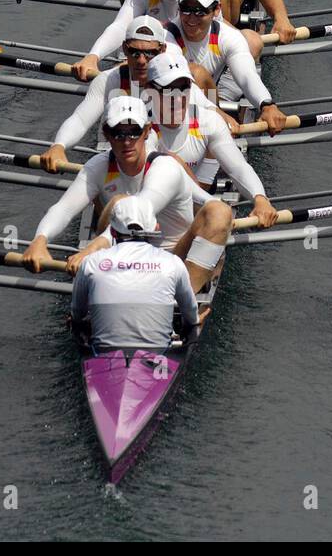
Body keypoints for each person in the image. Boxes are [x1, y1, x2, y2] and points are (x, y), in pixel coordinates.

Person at [23, 96, 232, 294]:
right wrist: (40, 240)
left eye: (134, 131)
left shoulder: (165, 168)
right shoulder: (97, 167)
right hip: (123, 258)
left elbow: (138, 211)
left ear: (147, 131)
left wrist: (90, 250)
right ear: (106, 134)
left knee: (219, 212)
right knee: (119, 202)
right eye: (118, 133)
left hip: (174, 256)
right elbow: (64, 209)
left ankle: (184, 297)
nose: (127, 141)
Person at [144, 54, 280, 231]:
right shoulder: (138, 128)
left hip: (190, 208)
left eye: (184, 88)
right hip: (150, 213)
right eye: (168, 90)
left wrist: (260, 198)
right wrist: (214, 205)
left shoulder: (207, 120)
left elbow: (237, 167)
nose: (177, 99)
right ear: (149, 90)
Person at [39, 16, 179, 173]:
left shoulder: (179, 82)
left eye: (150, 53)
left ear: (162, 50)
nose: (141, 60)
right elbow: (80, 120)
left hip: (164, 163)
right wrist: (59, 146)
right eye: (134, 52)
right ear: (125, 49)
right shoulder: (108, 80)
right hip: (121, 160)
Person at [69, 196, 201, 350]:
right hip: (158, 354)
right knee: (193, 326)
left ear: (112, 231)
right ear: (155, 228)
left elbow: (77, 314)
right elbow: (191, 316)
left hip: (104, 352)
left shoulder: (90, 262)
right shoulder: (173, 263)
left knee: (77, 323)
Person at [163, 0, 287, 135]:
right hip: (167, 106)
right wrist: (218, 114)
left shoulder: (229, 37)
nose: (191, 18)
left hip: (204, 100)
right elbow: (179, 82)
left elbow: (247, 75)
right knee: (195, 74)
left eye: (200, 11)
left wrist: (267, 105)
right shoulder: (166, 36)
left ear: (216, 10)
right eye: (186, 10)